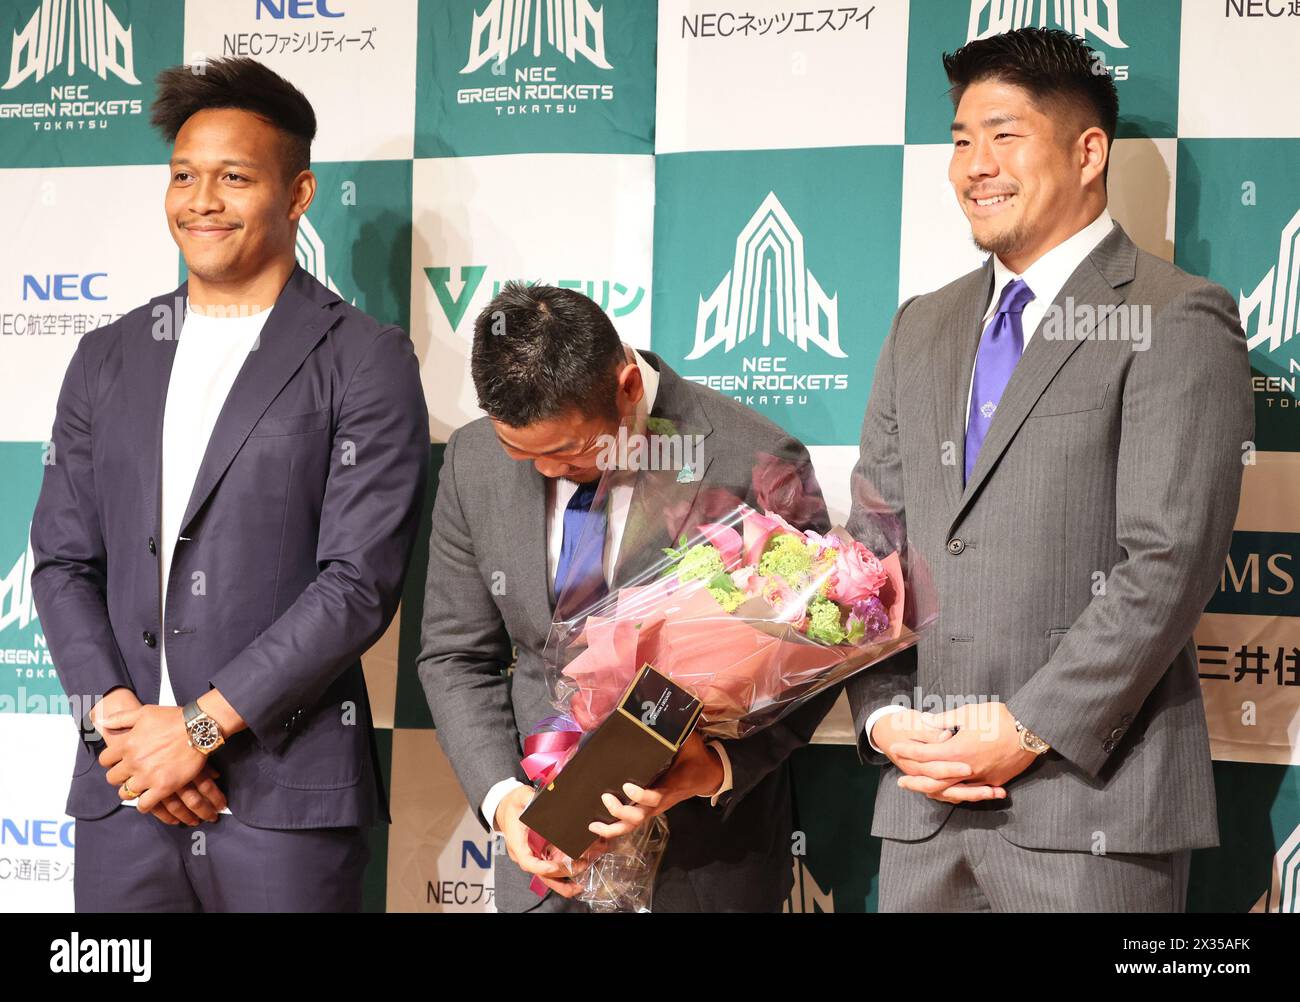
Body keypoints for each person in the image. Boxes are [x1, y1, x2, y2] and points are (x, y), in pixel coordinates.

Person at [846, 28, 1252, 912]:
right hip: (922, 814)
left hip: (1090, 818)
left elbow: (1168, 564)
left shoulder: (1174, 316)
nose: (974, 166)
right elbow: (872, 550)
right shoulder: (920, 325)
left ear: (1088, 150)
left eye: (1003, 134)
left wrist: (1027, 728)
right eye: (959, 141)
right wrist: (885, 721)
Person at [29, 57, 429, 912]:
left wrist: (201, 729)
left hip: (280, 795)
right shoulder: (106, 356)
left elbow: (359, 583)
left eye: (234, 177)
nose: (201, 200)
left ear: (298, 194)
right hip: (124, 793)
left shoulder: (364, 358)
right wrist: (126, 732)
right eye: (183, 175)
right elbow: (63, 562)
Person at [417, 281, 838, 912]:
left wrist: (717, 765)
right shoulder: (474, 460)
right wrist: (505, 798)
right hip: (542, 864)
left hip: (705, 865)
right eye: (520, 452)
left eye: (568, 452)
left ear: (628, 387)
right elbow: (454, 654)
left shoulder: (749, 456)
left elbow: (818, 651)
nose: (546, 471)